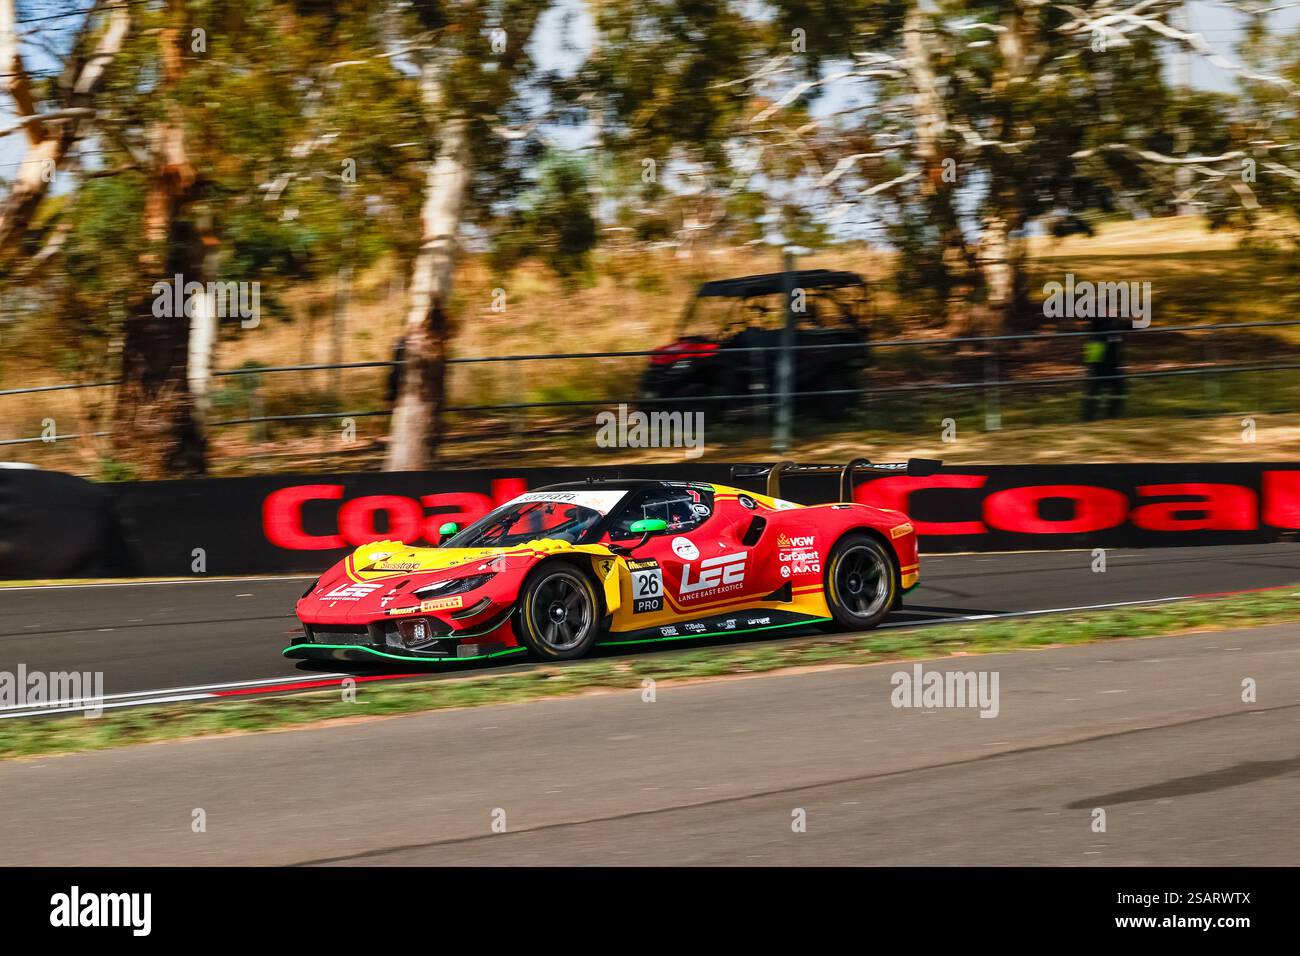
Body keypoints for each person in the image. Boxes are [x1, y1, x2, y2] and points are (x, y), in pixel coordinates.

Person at [1082, 308, 1127, 420]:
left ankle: (1113, 416)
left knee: (1119, 389)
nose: (1114, 311)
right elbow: (1100, 324)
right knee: (1093, 390)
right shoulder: (1097, 322)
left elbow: (1135, 325)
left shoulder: (1117, 323)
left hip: (1113, 363)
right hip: (1097, 363)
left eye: (1115, 309)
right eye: (1110, 309)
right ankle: (1089, 417)